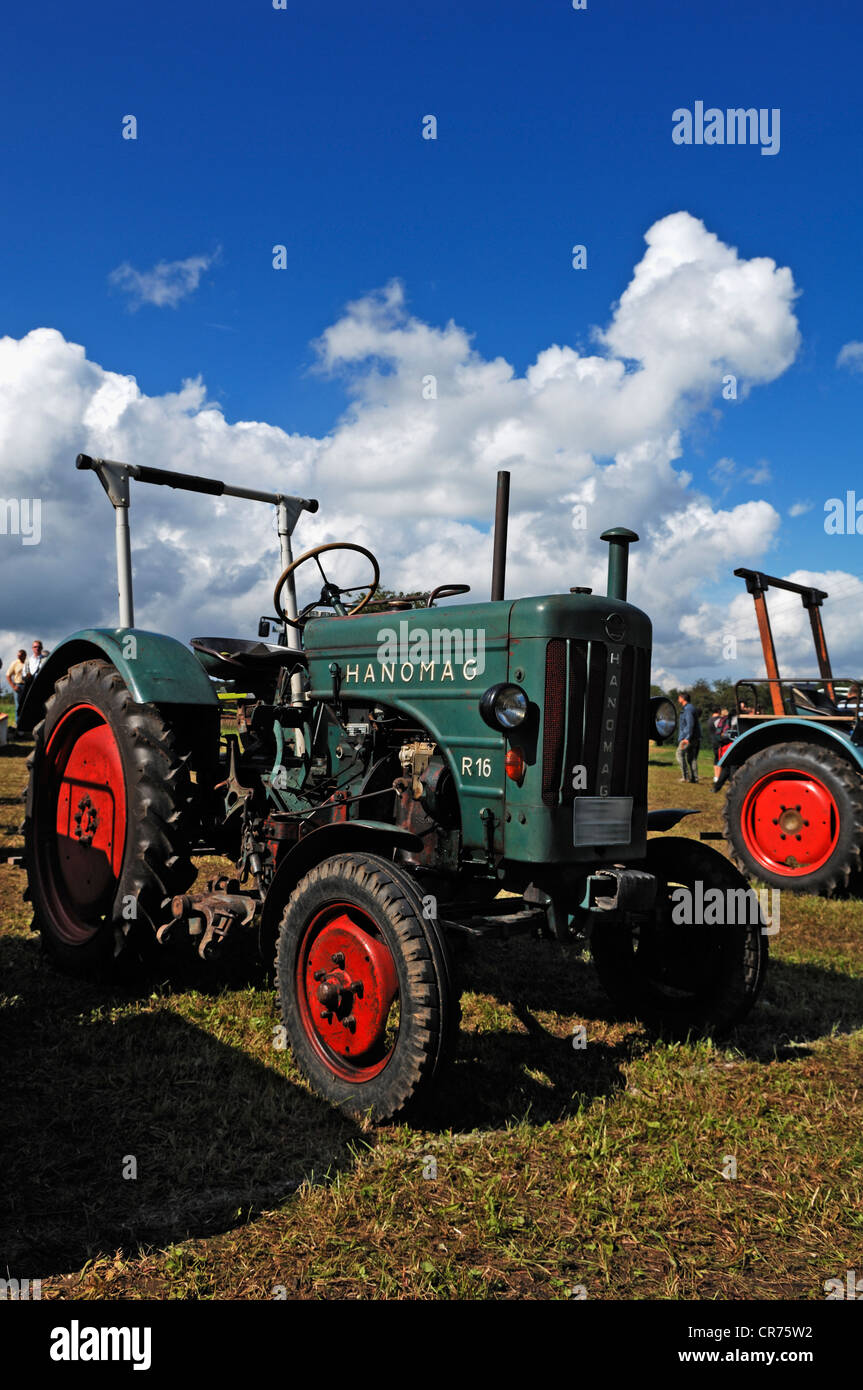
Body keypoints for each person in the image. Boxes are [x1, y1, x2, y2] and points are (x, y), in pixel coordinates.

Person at [676, 691, 701, 783]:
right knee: (692, 758)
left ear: (683, 698)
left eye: (679, 697)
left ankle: (685, 777)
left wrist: (687, 738)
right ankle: (695, 778)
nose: (678, 699)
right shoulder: (690, 708)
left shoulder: (688, 709)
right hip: (693, 737)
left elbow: (690, 724)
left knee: (679, 754)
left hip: (688, 738)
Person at [5, 649, 27, 720]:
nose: (19, 657)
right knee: (18, 706)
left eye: (20, 656)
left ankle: (24, 724)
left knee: (26, 705)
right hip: (18, 686)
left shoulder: (28, 663)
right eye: (18, 656)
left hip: (27, 686)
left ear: (24, 656)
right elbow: (8, 675)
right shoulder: (15, 663)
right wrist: (13, 686)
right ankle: (18, 724)